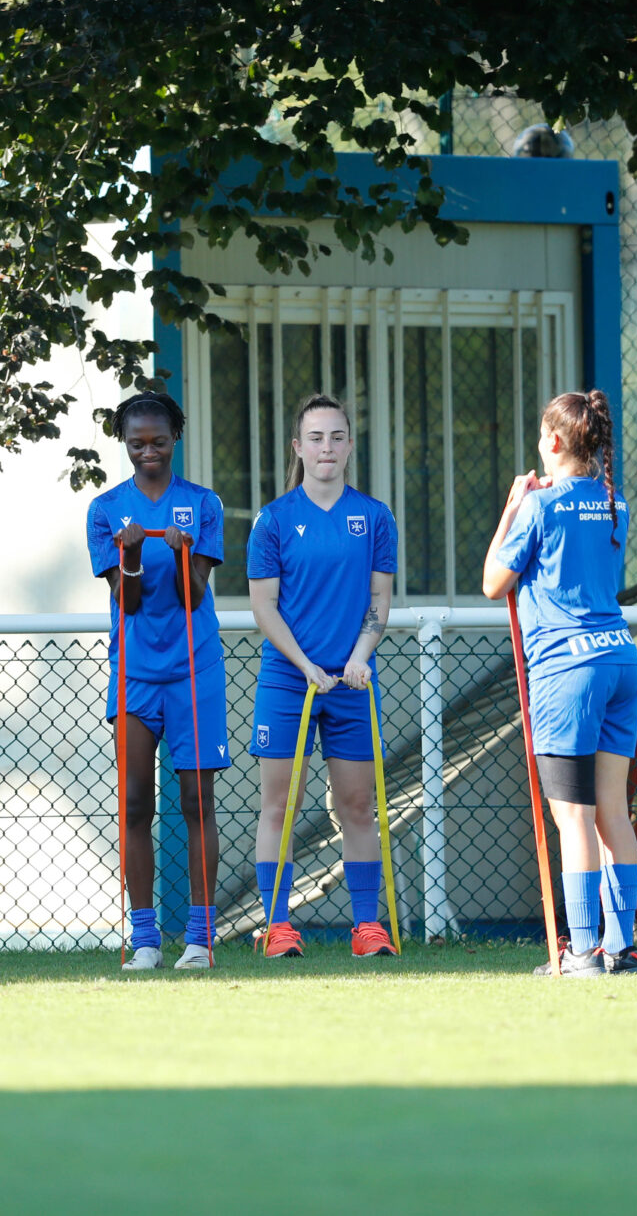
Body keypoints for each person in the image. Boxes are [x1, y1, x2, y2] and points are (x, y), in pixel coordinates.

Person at [482, 392, 637, 976]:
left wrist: (512, 504)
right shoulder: (614, 502)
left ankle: (579, 952)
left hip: (566, 670)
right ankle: (620, 948)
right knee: (612, 815)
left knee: (572, 819)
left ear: (553, 442)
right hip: (620, 660)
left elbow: (492, 581)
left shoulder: (539, 507)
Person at [247, 394, 399, 960]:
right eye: (315, 438)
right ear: (298, 448)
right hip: (290, 681)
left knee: (357, 805)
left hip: (352, 682)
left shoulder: (374, 517)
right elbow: (265, 609)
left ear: (350, 445)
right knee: (279, 805)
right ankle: (279, 926)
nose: (326, 448)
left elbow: (379, 600)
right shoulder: (275, 520)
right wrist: (306, 665)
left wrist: (361, 653)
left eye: (337, 437)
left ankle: (367, 927)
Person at [87, 391, 229, 970]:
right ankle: (144, 939)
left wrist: (185, 548)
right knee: (136, 802)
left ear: (177, 437)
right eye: (136, 442)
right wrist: (134, 556)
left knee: (197, 800)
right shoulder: (106, 509)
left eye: (158, 441)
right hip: (135, 673)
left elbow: (196, 597)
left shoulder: (202, 504)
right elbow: (130, 600)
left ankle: (199, 938)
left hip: (195, 669)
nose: (147, 451)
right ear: (124, 444)